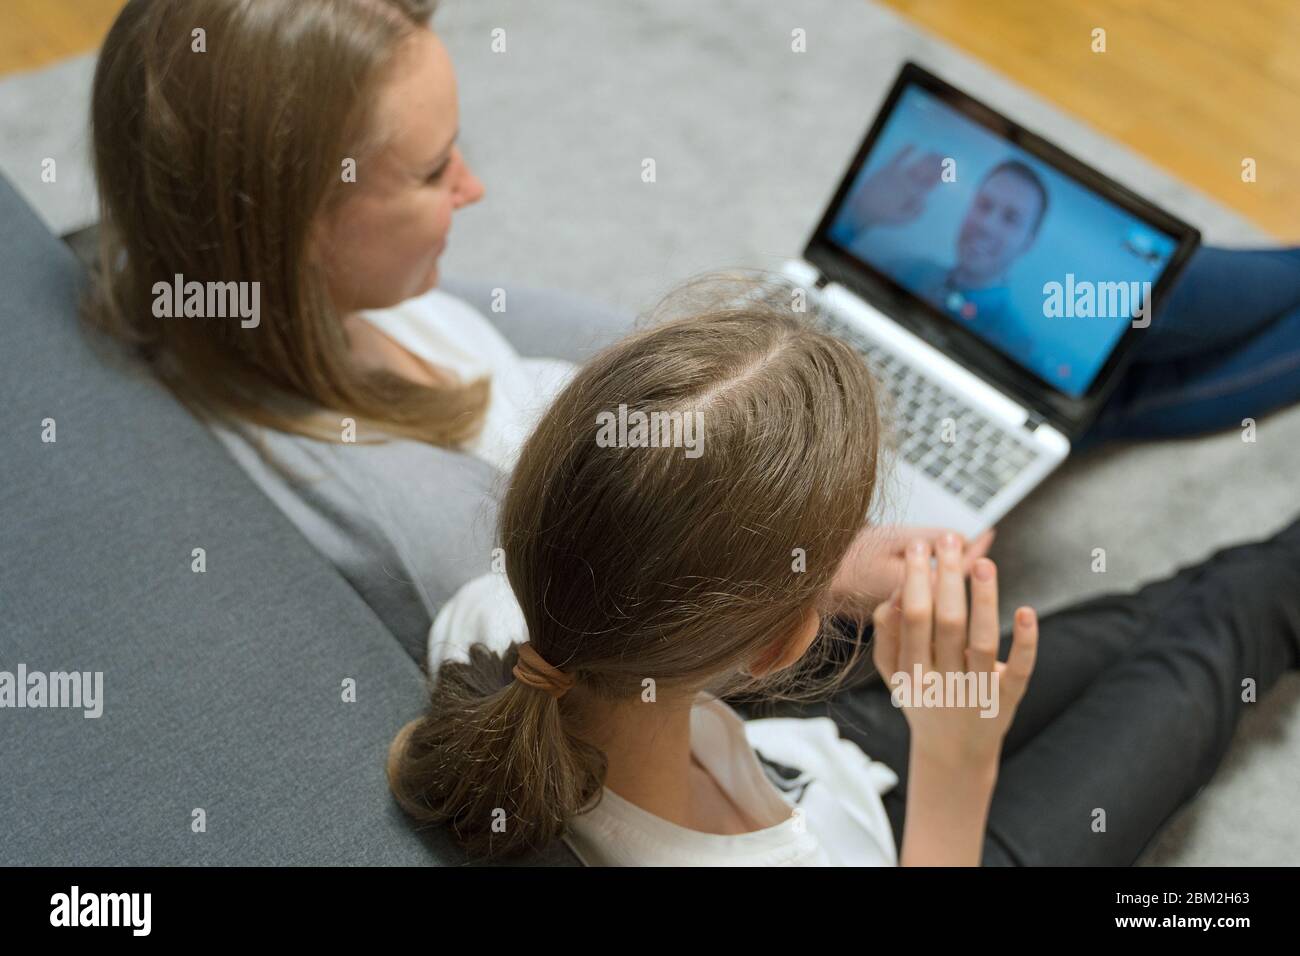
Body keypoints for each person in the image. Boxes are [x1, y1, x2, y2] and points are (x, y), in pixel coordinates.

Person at [84, 0, 1300, 659]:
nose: (476, 191)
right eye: (436, 167)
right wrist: (830, 571)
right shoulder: (408, 514)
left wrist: (732, 345)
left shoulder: (250, 302)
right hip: (719, 534)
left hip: (667, 434)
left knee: (1052, 371)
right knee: (1081, 345)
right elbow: (626, 637)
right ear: (296, 218)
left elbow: (542, 338)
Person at [386, 280, 1300, 865]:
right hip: (936, 836)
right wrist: (955, 757)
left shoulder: (488, 614)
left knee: (1165, 615)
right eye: (838, 539)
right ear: (790, 639)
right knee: (1224, 633)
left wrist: (839, 567)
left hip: (819, 764)